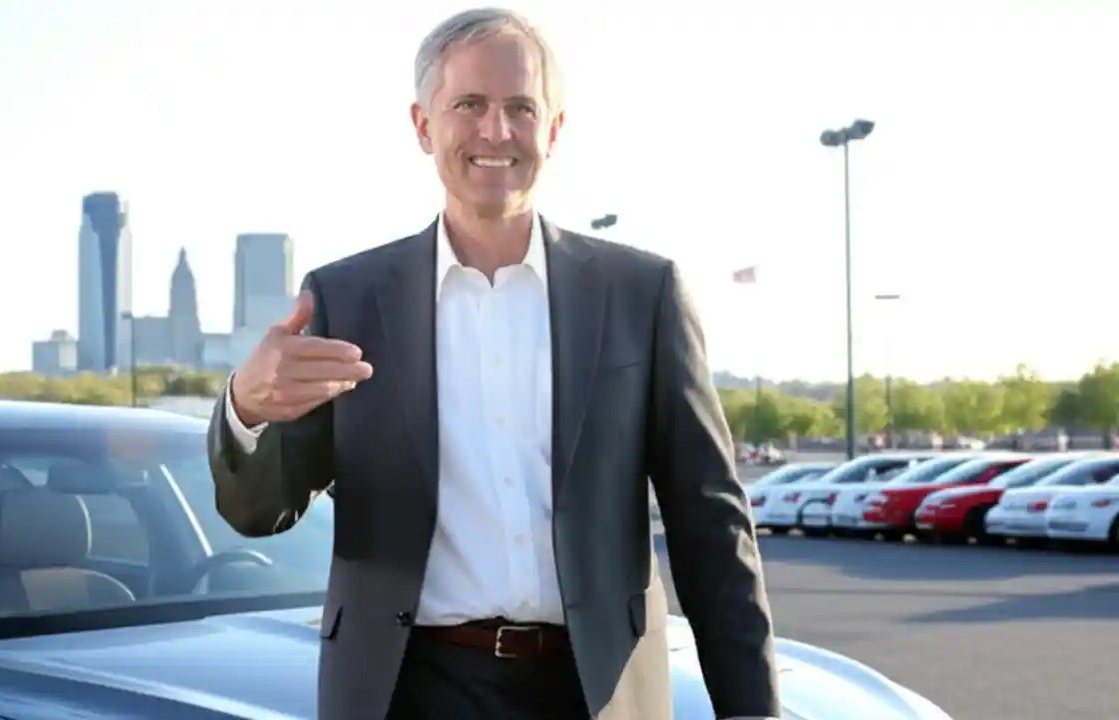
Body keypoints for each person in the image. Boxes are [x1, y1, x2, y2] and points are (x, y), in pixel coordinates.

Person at [208, 8, 780, 720]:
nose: (495, 132)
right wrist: (247, 408)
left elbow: (710, 527)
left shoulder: (642, 295)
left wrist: (752, 711)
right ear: (424, 126)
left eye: (520, 108)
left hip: (597, 689)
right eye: (469, 105)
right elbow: (259, 511)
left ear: (555, 130)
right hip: (409, 690)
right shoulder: (347, 300)